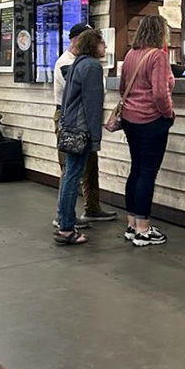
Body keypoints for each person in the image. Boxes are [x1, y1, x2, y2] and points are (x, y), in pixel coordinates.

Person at [53, 23, 116, 226]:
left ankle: (91, 208)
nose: (105, 47)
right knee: (70, 171)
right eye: (101, 43)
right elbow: (89, 100)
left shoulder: (81, 63)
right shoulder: (71, 63)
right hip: (75, 121)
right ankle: (64, 218)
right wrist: (94, 134)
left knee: (89, 167)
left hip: (76, 120)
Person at [120, 15, 175, 247]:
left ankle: (132, 224)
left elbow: (123, 87)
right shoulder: (159, 56)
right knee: (147, 173)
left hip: (130, 120)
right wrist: (168, 113)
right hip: (151, 121)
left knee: (136, 170)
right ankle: (144, 230)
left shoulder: (131, 54)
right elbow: (160, 94)